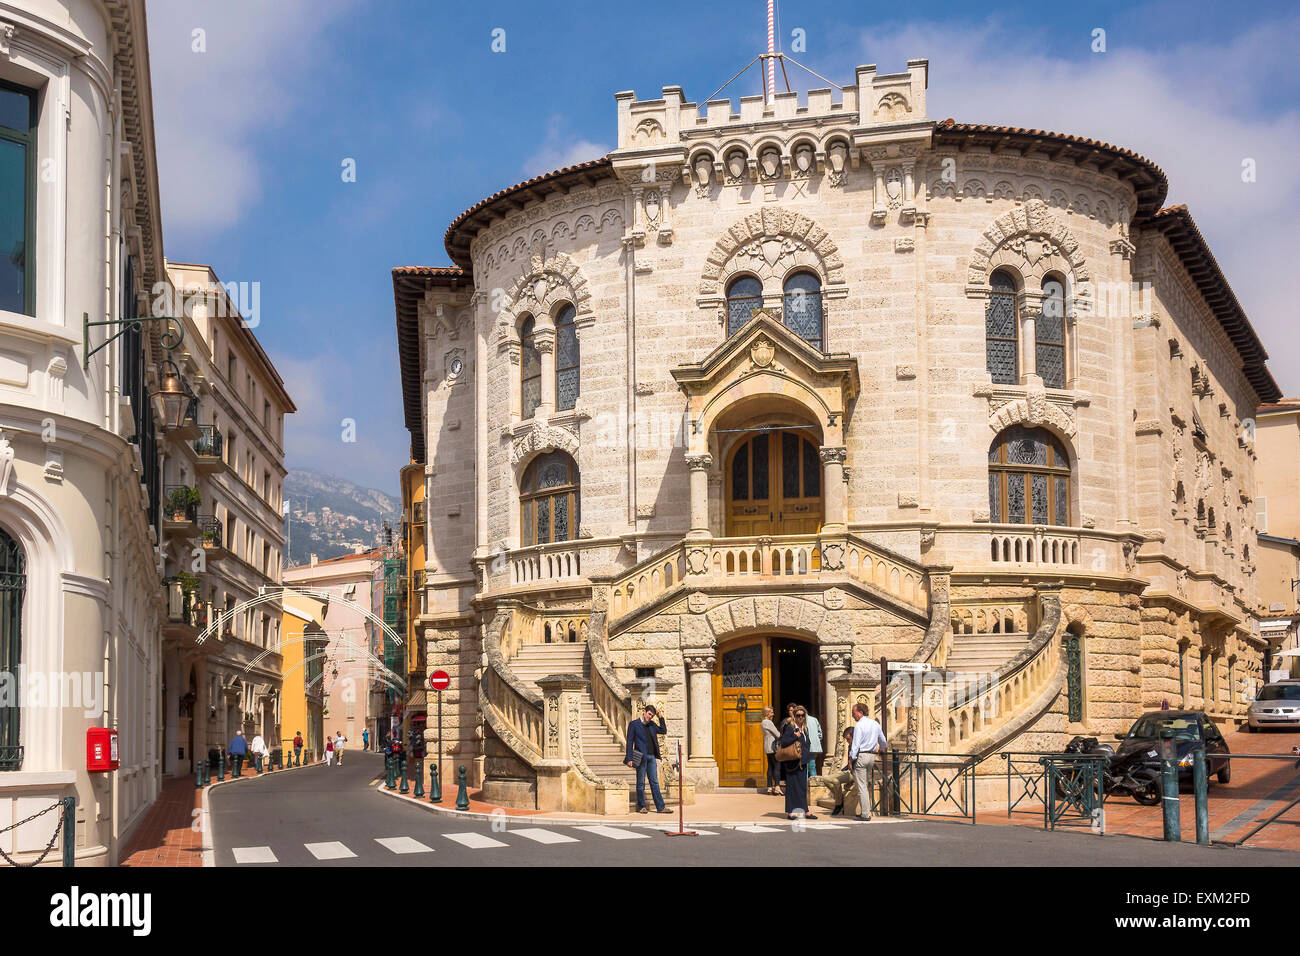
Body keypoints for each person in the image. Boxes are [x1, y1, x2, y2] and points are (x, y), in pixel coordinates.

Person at [624, 704, 670, 814]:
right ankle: (641, 806)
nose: (650, 717)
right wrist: (629, 758)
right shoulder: (634, 724)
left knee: (654, 782)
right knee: (640, 783)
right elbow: (629, 743)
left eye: (652, 716)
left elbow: (663, 730)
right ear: (644, 712)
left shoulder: (652, 725)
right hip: (640, 757)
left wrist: (660, 716)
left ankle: (661, 807)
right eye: (649, 714)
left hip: (651, 757)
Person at [849, 702, 888, 822]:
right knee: (865, 785)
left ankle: (865, 814)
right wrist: (882, 749)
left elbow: (855, 744)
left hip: (861, 756)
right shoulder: (875, 723)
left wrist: (851, 758)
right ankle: (865, 811)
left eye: (853, 713)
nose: (852, 715)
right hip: (871, 756)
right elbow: (883, 740)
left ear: (860, 712)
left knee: (862, 786)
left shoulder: (860, 726)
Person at [776, 708, 816, 820]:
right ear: (794, 716)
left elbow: (806, 743)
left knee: (802, 787)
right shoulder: (790, 728)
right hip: (792, 763)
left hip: (802, 761)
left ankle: (805, 811)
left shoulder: (804, 728)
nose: (800, 718)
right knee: (792, 787)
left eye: (802, 715)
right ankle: (790, 812)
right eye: (798, 715)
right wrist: (795, 736)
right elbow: (783, 742)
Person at [813, 728, 857, 816]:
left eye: (848, 739)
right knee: (826, 779)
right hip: (847, 770)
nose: (847, 741)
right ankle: (839, 798)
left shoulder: (858, 746)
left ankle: (838, 804)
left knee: (835, 781)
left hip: (855, 773)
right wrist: (842, 770)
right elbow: (849, 762)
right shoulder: (850, 746)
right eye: (846, 739)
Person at [760, 706, 781, 795]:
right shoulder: (768, 722)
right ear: (767, 713)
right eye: (772, 712)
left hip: (767, 746)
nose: (773, 714)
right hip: (773, 747)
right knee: (777, 766)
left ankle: (769, 787)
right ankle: (777, 786)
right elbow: (778, 734)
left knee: (770, 767)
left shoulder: (762, 722)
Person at [804, 708, 824, 777]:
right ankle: (814, 783)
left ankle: (805, 784)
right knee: (812, 766)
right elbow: (820, 733)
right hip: (814, 746)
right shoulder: (814, 719)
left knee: (805, 767)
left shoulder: (800, 720)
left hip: (804, 747)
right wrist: (816, 740)